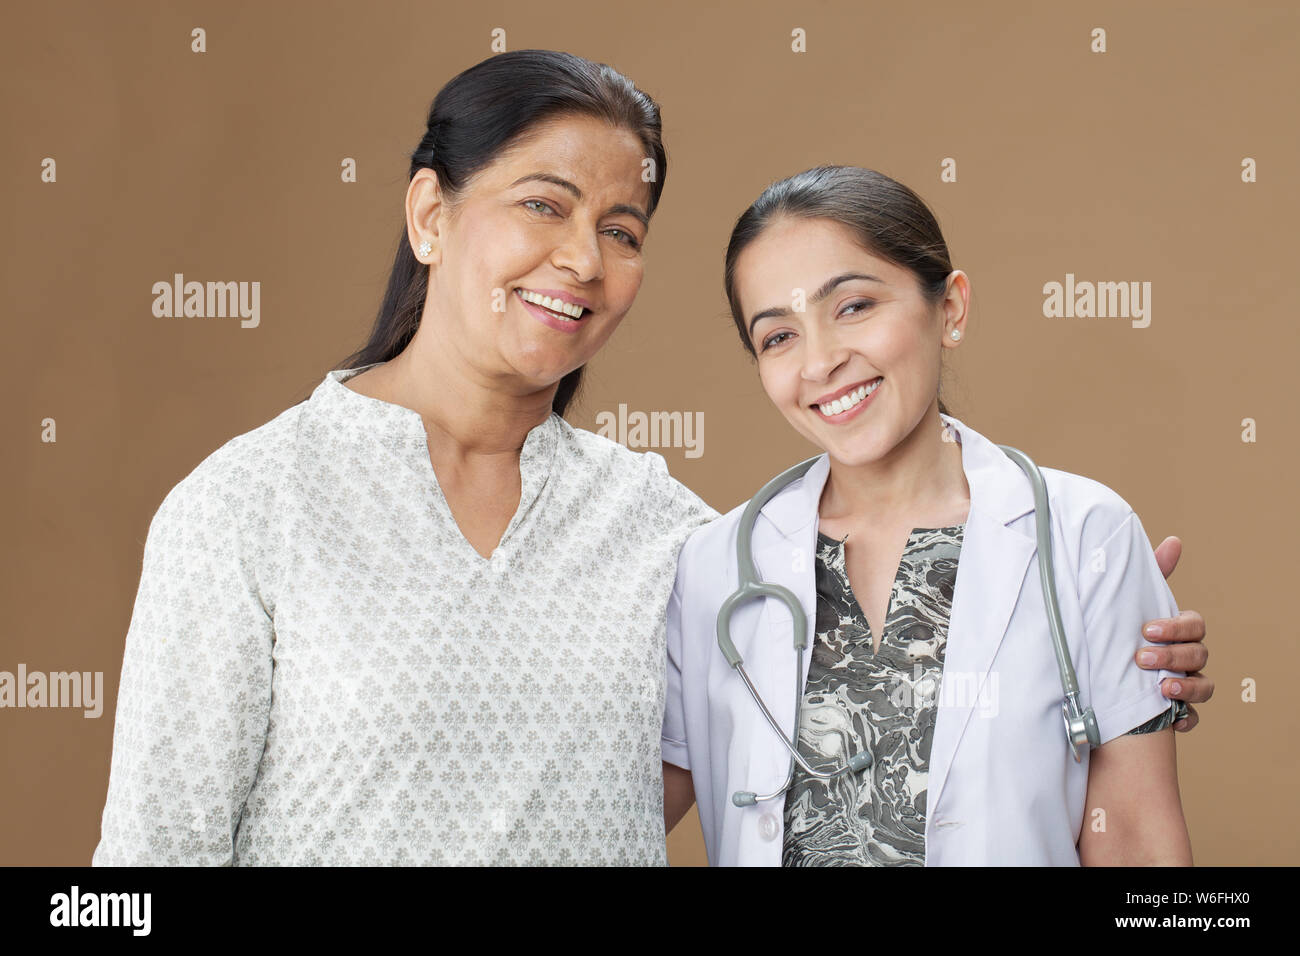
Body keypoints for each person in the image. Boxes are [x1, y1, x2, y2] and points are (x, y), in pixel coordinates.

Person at [91, 51, 1209, 867]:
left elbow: (678, 773)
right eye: (545, 204)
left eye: (622, 230)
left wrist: (1115, 649)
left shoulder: (664, 531)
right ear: (430, 213)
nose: (581, 258)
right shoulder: (246, 506)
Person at [662, 165, 1201, 865]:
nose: (821, 361)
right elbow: (604, 811)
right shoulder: (711, 568)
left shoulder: (1084, 537)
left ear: (950, 308)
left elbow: (1135, 846)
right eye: (778, 337)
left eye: (853, 306)